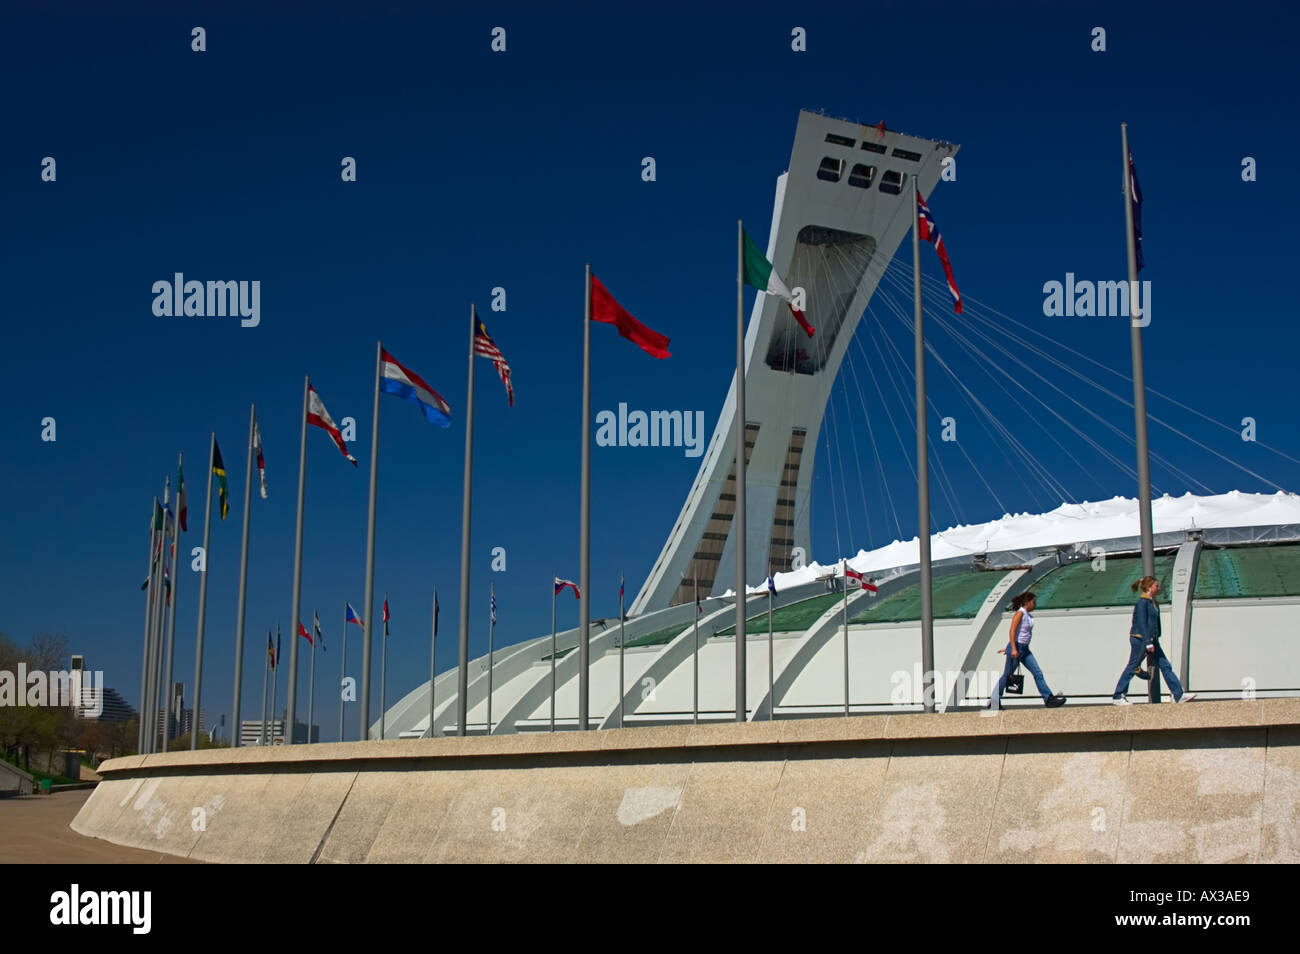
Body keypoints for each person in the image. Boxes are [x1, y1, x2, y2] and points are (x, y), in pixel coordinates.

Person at [1112, 576, 1196, 705]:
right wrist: (1147, 642)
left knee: (1165, 666)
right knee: (1133, 665)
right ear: (1150, 587)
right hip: (1141, 639)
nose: (1158, 588)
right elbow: (1141, 623)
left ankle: (1178, 695)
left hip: (1151, 639)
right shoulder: (1142, 603)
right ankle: (1118, 695)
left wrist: (1154, 638)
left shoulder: (1152, 602)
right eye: (1156, 586)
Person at [989, 591, 1067, 709]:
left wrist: (1010, 647)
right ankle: (994, 702)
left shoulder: (1028, 615)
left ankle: (1048, 699)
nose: (1035, 604)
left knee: (1037, 673)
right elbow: (1012, 631)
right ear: (1027, 602)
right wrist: (1013, 648)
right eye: (1033, 602)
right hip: (1017, 648)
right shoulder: (1020, 613)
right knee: (1007, 675)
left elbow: (1023, 634)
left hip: (1024, 649)